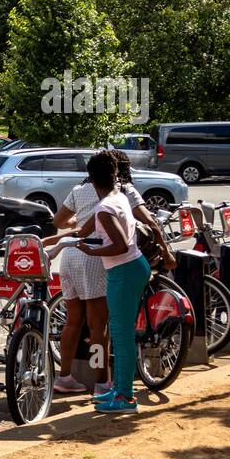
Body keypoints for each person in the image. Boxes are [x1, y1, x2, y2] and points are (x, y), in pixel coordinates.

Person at [76, 151, 149, 413]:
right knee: (121, 334)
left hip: (124, 270)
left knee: (121, 336)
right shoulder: (117, 197)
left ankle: (125, 397)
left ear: (91, 179)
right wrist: (55, 244)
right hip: (133, 267)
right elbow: (82, 232)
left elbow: (120, 245)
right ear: (114, 175)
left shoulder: (104, 209)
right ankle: (120, 391)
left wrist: (93, 252)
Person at [44, 180, 111, 396]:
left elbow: (58, 220)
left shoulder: (78, 190)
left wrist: (76, 221)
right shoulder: (115, 189)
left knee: (73, 321)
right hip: (94, 254)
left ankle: (64, 377)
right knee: (97, 327)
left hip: (70, 254)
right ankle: (101, 382)